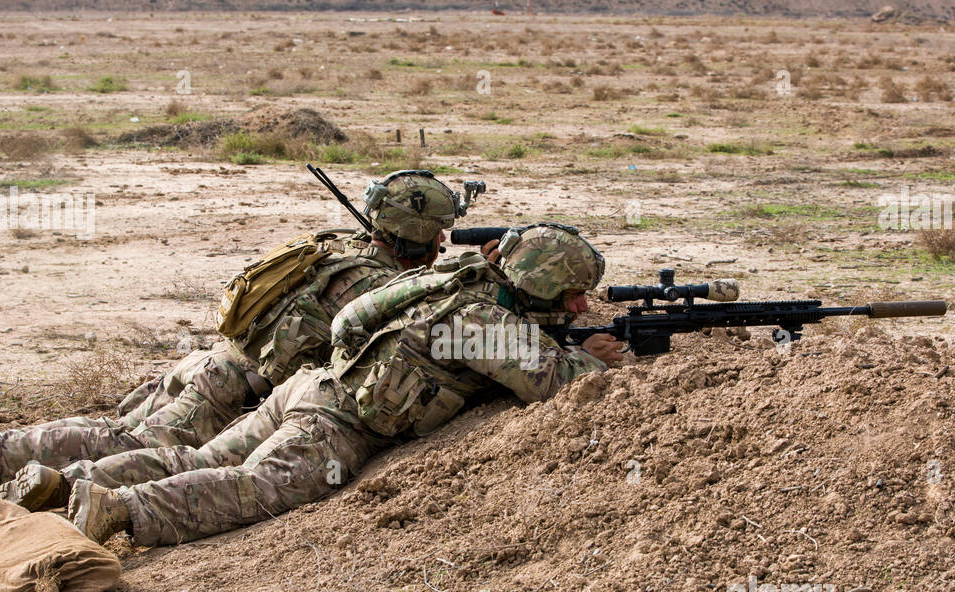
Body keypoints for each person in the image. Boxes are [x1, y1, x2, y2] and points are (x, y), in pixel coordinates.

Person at [47, 224, 623, 545]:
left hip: (309, 386)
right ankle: (116, 509)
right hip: (335, 421)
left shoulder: (455, 276)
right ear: (537, 284)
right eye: (571, 294)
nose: (580, 305)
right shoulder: (482, 321)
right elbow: (556, 385)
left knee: (197, 455)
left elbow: (353, 321)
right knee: (258, 489)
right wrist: (592, 359)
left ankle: (66, 483)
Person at [0, 170, 469, 500]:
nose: (442, 245)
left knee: (121, 429)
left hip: (209, 362)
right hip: (228, 384)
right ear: (416, 233)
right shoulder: (379, 284)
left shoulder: (337, 249)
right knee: (138, 442)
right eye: (439, 233)